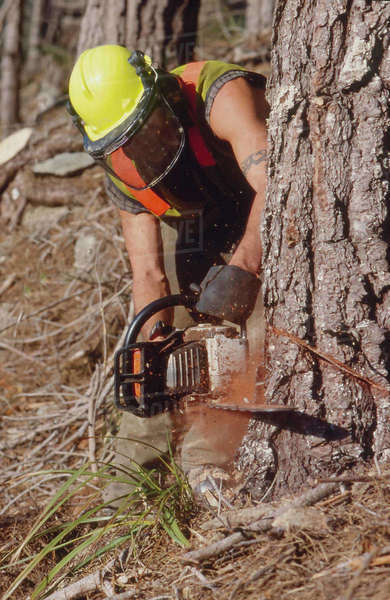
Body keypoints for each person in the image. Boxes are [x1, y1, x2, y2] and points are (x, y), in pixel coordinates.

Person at [68, 45, 268, 503]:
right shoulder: (123, 170)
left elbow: (276, 184)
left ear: (160, 96)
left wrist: (244, 268)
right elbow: (149, 277)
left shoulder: (216, 94)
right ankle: (125, 497)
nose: (135, 151)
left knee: (249, 331)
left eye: (140, 131)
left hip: (263, 210)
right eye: (119, 146)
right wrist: (150, 350)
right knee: (157, 355)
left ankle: (212, 462)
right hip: (202, 227)